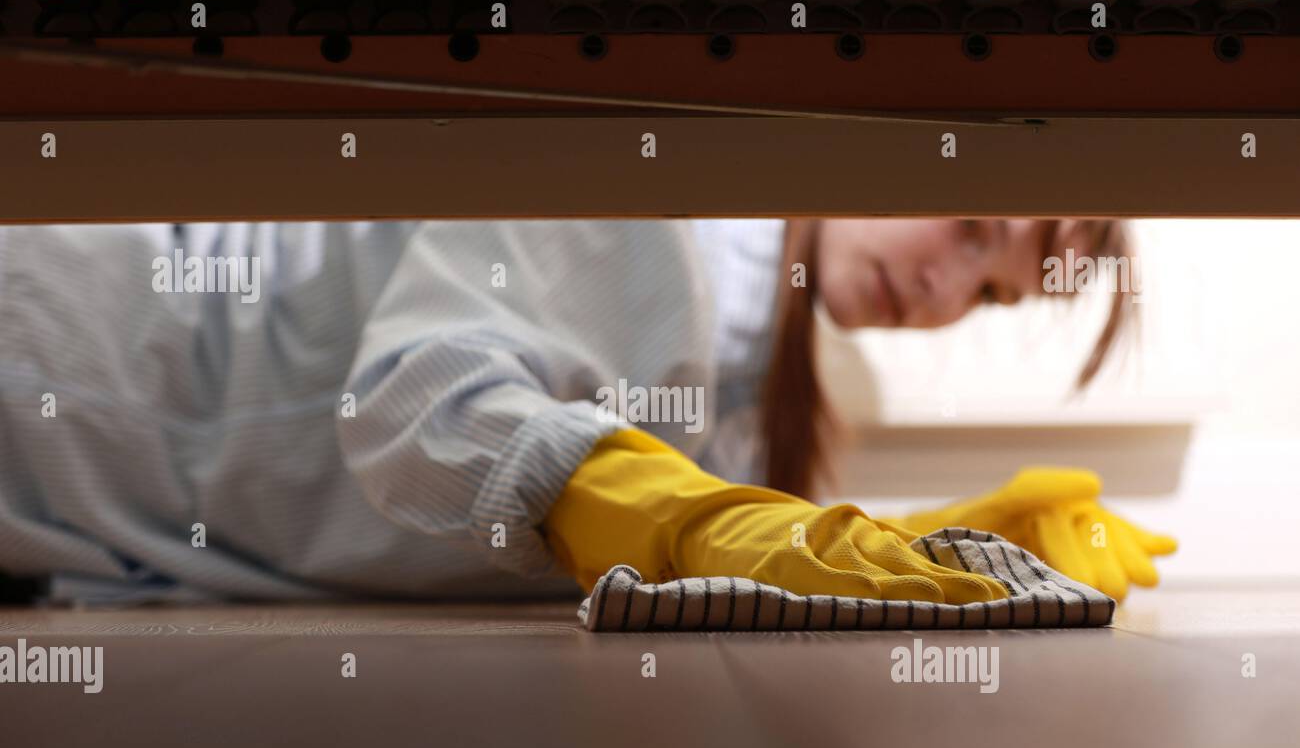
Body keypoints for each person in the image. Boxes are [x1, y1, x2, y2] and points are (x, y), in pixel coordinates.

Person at [0, 218, 1173, 606]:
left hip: (86, 496)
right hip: (68, 350)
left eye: (989, 292)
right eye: (970, 227)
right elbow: (424, 403)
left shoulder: (750, 368)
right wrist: (685, 523)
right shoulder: (664, 207)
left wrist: (939, 549)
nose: (944, 291)